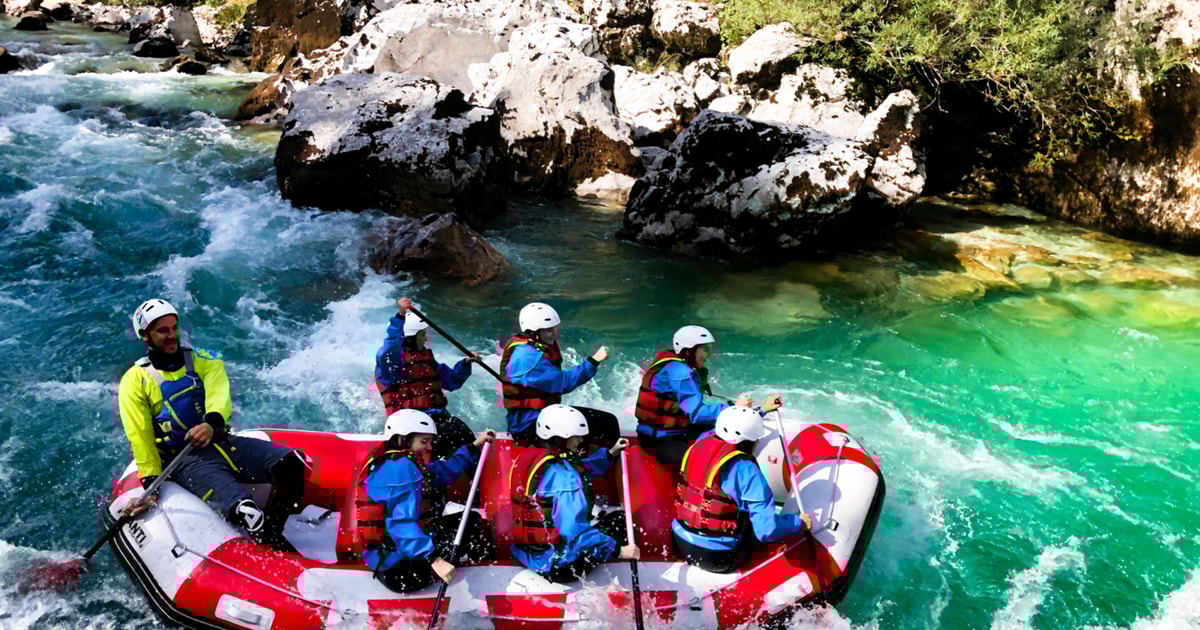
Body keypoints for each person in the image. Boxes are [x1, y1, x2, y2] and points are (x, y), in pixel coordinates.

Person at [118, 298, 306, 550]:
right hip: (184, 460)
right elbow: (139, 433)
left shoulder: (204, 360)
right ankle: (279, 552)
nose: (172, 335)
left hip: (223, 443)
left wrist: (211, 422)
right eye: (162, 330)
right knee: (247, 511)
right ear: (145, 336)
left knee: (292, 464)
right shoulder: (134, 381)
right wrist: (151, 482)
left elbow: (219, 396)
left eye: (174, 328)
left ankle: (274, 527)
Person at [357, 409, 497, 593]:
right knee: (471, 524)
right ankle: (489, 584)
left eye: (430, 441)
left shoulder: (393, 461)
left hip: (390, 561)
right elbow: (401, 524)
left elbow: (441, 472)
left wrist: (473, 446)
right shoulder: (402, 469)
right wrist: (435, 560)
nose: (430, 448)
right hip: (403, 572)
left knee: (466, 520)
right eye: (424, 441)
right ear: (403, 439)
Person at [672, 405, 813, 574]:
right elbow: (766, 531)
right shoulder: (746, 470)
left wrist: (761, 410)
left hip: (679, 542)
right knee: (759, 522)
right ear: (751, 441)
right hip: (717, 558)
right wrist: (797, 523)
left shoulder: (698, 444)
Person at [509, 404, 639, 583]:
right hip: (561, 567)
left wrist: (610, 453)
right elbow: (574, 531)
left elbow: (581, 468)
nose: (580, 440)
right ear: (559, 439)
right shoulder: (566, 480)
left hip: (528, 554)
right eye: (574, 437)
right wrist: (619, 550)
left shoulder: (535, 459)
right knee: (618, 521)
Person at [499, 302, 620, 447]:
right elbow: (565, 382)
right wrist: (594, 360)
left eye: (554, 329)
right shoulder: (527, 359)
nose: (555, 334)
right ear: (534, 331)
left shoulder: (531, 345)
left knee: (598, 423)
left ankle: (588, 457)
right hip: (529, 426)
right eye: (549, 330)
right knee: (607, 423)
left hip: (540, 415)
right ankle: (597, 463)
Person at [635, 325, 753, 467]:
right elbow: (696, 414)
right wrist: (733, 408)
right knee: (712, 466)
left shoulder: (672, 363)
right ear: (688, 351)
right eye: (706, 350)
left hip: (667, 433)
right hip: (660, 441)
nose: (709, 355)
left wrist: (761, 410)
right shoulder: (682, 372)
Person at [375, 296, 477, 459]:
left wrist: (465, 364)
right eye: (422, 335)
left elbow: (451, 381)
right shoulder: (391, 364)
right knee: (436, 446)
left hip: (439, 418)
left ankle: (473, 476)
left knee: (467, 440)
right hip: (411, 425)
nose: (426, 339)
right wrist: (400, 316)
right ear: (410, 337)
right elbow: (389, 349)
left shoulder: (427, 359)